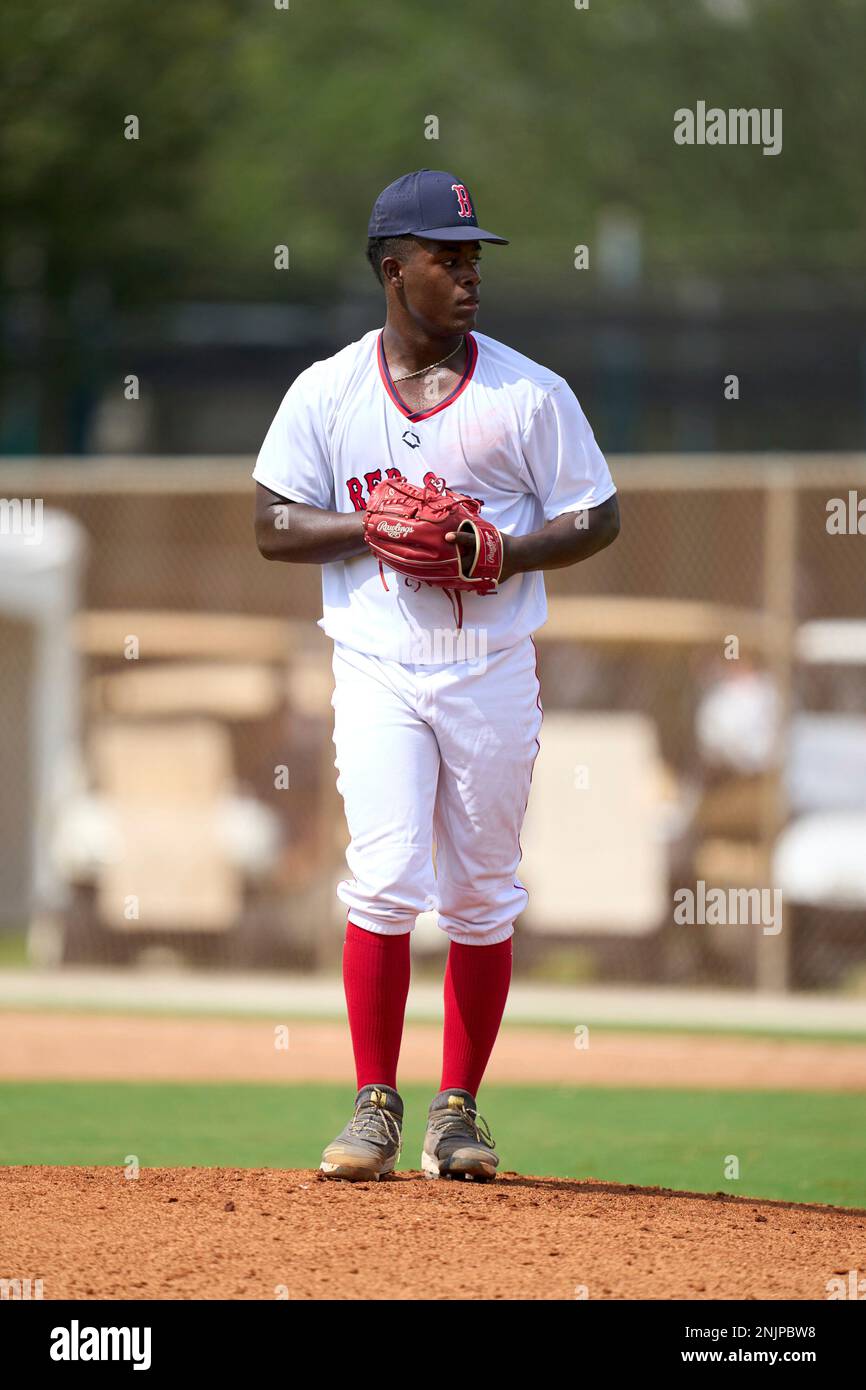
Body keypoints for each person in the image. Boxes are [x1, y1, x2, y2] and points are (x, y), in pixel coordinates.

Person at [253, 169, 619, 1181]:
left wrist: (506, 551)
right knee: (383, 872)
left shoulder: (526, 393)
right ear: (390, 269)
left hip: (489, 665)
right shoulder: (326, 390)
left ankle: (457, 1114)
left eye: (472, 258)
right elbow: (270, 524)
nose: (467, 276)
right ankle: (374, 1102)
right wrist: (364, 524)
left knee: (483, 894)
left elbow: (595, 515)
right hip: (374, 662)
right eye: (445, 258)